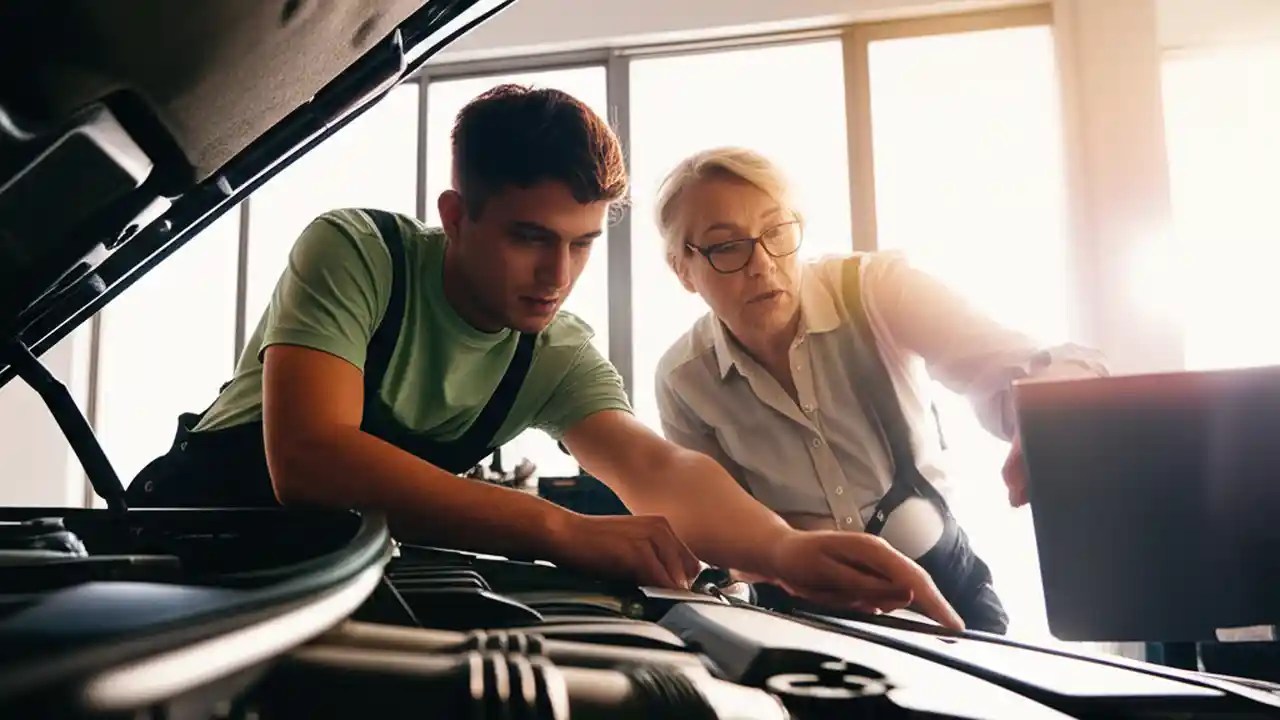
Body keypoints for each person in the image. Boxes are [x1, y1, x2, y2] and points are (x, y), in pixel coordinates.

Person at [124, 86, 963, 629]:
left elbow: (659, 468)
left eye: (582, 244)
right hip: (189, 550)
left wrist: (782, 550)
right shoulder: (357, 250)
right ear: (456, 215)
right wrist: (561, 530)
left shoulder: (554, 351)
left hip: (344, 578)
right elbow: (309, 460)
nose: (556, 277)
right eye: (529, 238)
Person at [652, 146, 1108, 634]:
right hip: (802, 620)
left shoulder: (872, 290)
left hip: (948, 591)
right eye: (726, 247)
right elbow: (719, 530)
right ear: (683, 269)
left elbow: (1014, 361)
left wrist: (1049, 414)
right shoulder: (685, 380)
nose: (761, 264)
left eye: (776, 231)